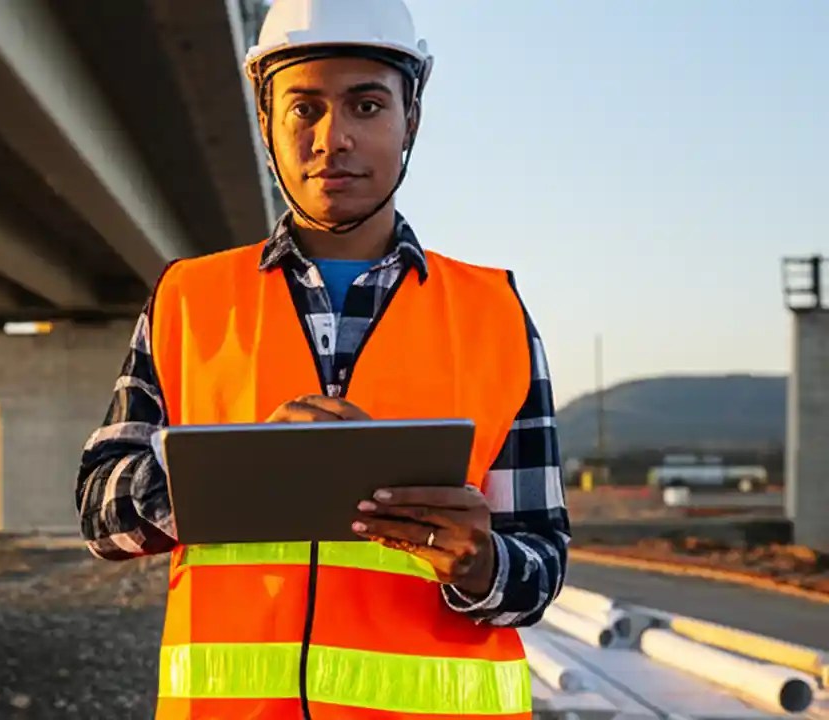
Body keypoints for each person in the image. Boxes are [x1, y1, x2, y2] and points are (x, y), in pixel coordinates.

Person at [75, 0, 570, 717]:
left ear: (412, 120)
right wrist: (235, 471)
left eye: (366, 105)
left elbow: (542, 562)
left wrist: (485, 563)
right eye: (303, 108)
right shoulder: (189, 299)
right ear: (265, 124)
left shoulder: (493, 312)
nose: (332, 138)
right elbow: (99, 512)